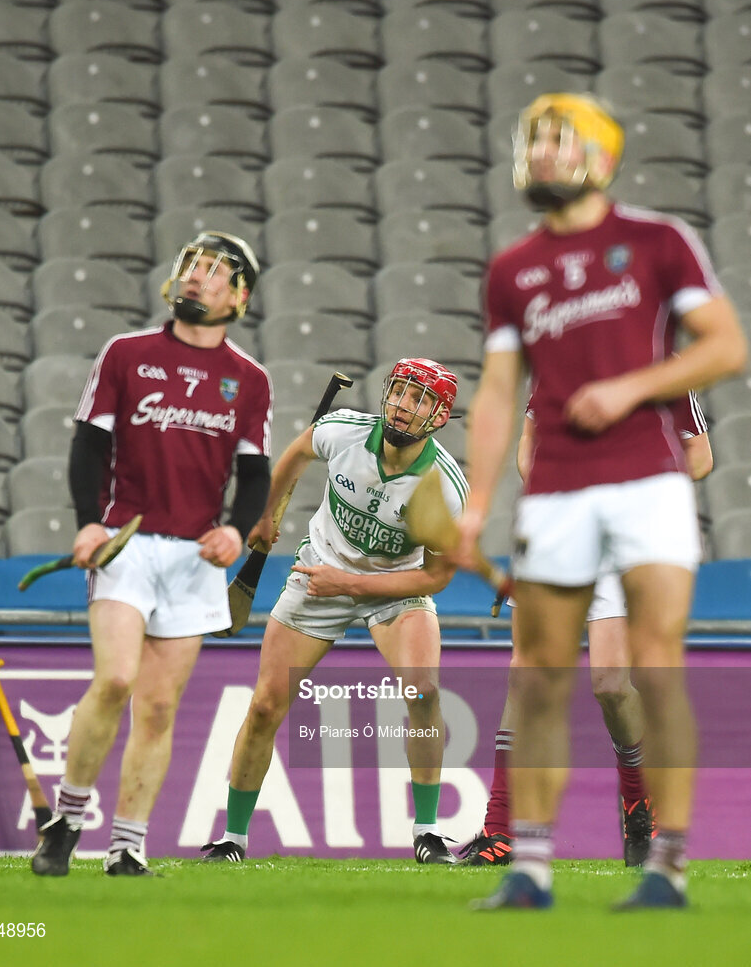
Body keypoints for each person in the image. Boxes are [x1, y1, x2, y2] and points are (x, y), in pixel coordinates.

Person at [452, 93, 746, 909]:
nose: (542, 151)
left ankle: (666, 864)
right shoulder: (512, 269)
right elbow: (496, 394)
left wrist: (628, 389)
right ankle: (529, 867)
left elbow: (724, 345)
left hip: (648, 489)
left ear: (601, 156)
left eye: (559, 138)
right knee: (540, 679)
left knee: (644, 676)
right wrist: (476, 506)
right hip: (554, 501)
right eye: (534, 137)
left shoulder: (656, 242)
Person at [31, 231, 273, 877]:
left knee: (159, 706)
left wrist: (237, 531)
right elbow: (88, 446)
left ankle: (127, 845)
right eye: (192, 264)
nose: (198, 276)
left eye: (216, 271)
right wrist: (88, 523)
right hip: (127, 544)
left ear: (239, 295)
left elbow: (254, 475)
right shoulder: (127, 354)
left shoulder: (249, 381)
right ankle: (67, 818)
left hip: (195, 559)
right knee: (114, 680)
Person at [200, 359, 467, 864]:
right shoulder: (344, 432)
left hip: (395, 586)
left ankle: (428, 833)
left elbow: (436, 577)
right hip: (318, 570)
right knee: (263, 706)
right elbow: (299, 450)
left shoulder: (445, 487)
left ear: (438, 418)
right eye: (400, 393)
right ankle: (232, 839)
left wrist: (352, 583)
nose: (403, 407)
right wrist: (264, 512)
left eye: (419, 400)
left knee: (424, 691)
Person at [460, 392, 712, 869]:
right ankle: (500, 830)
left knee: (612, 685)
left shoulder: (662, 360)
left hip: (620, 542)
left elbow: (700, 454)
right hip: (556, 532)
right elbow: (530, 440)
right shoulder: (560, 340)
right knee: (528, 675)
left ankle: (638, 798)